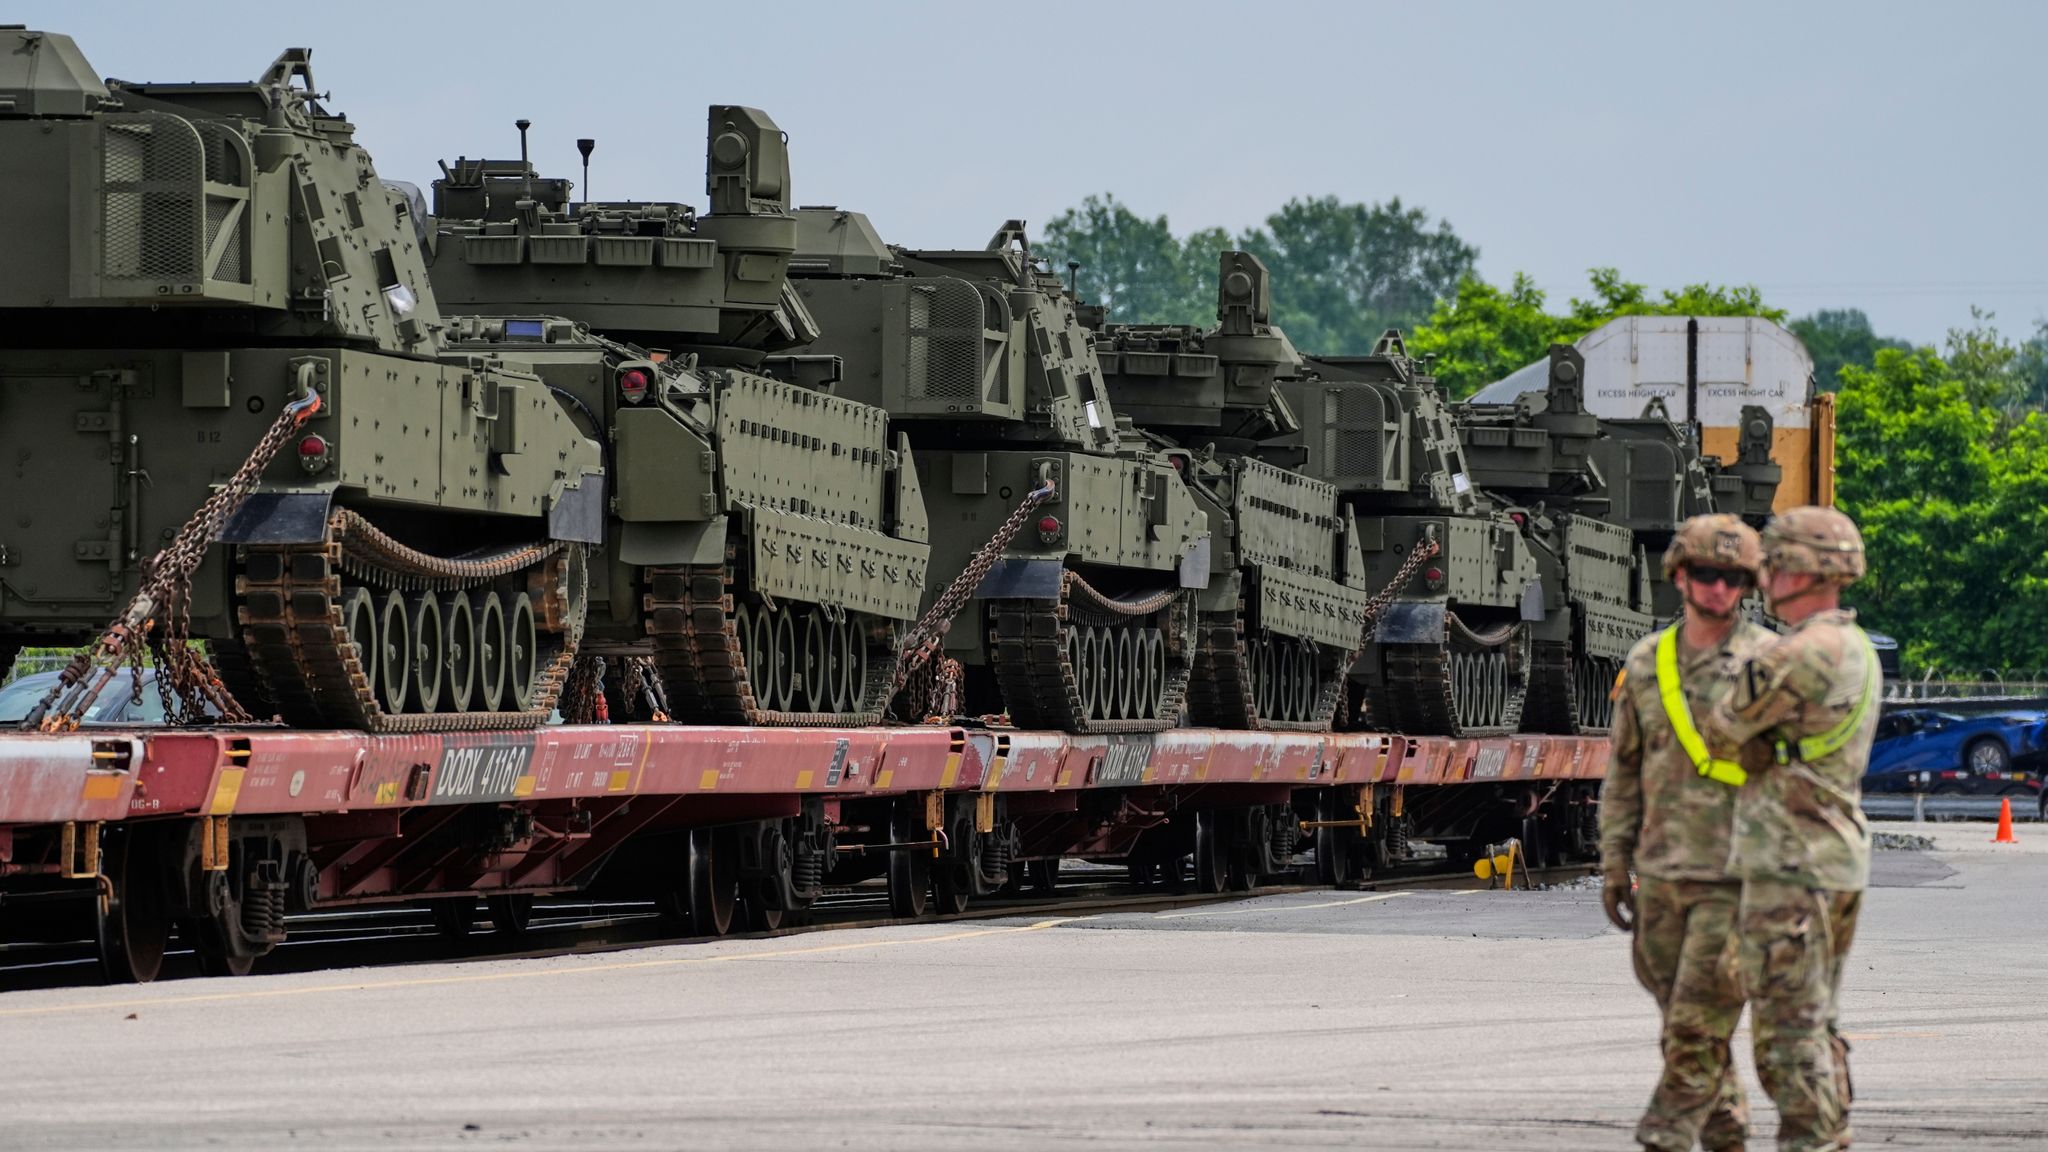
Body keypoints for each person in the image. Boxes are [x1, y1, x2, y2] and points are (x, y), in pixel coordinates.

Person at [1708, 506, 1879, 1152]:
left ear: (1806, 571)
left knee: (1786, 1041)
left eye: (1774, 564)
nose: (1764, 578)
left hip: (1791, 865)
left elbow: (1722, 728)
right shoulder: (1855, 645)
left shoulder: (1800, 652)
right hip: (1832, 857)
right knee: (1816, 1023)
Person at [1601, 513, 1773, 1152]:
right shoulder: (1647, 664)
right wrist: (1615, 863)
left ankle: (1666, 1133)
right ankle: (1725, 1126)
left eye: (1734, 578)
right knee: (1680, 1012)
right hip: (1663, 872)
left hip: (1737, 876)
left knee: (1697, 1023)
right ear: (1680, 576)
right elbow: (1623, 773)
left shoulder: (1768, 664)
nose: (1720, 589)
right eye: (1707, 574)